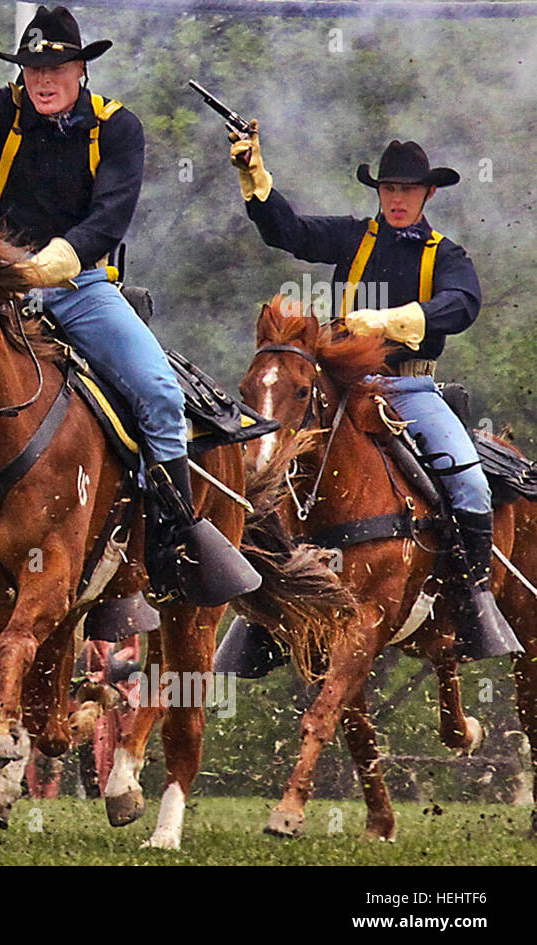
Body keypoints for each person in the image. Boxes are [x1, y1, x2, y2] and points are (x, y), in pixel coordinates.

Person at [0, 5, 259, 607]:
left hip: (82, 289)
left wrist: (39, 270)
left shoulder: (118, 127)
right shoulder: (3, 107)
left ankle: (174, 540)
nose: (44, 78)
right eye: (33, 67)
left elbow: (106, 222)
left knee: (158, 395)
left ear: (81, 69)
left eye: (57, 66)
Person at [221, 130, 521, 666]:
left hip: (411, 386)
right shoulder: (354, 237)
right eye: (389, 190)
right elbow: (288, 231)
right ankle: (262, 618)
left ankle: (473, 603)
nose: (397, 199)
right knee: (266, 474)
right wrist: (254, 176)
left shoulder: (445, 254)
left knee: (470, 484)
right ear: (378, 193)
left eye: (408, 190)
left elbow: (463, 304)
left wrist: (390, 320)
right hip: (345, 389)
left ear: (428, 195)